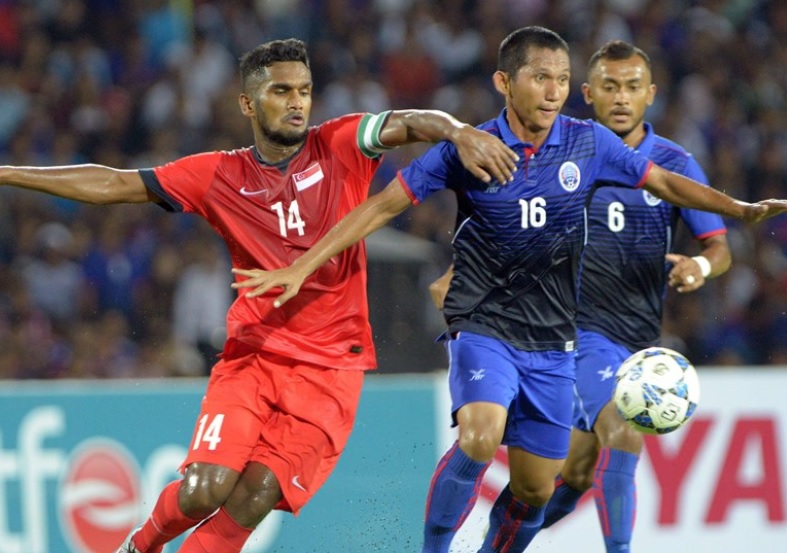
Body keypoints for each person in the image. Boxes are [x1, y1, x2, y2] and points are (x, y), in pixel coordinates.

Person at [231, 27, 787, 553]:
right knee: (481, 435)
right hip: (484, 324)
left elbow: (660, 180)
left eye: (560, 79)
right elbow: (383, 205)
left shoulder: (589, 143)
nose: (553, 91)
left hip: (553, 341)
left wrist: (739, 208)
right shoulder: (470, 148)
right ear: (505, 82)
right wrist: (304, 265)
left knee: (536, 488)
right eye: (540, 77)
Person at [0, 38, 519, 553]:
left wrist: (457, 131)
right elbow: (114, 184)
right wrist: (7, 173)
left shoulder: (340, 143)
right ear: (249, 103)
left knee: (255, 497)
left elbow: (406, 122)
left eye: (305, 90)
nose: (297, 102)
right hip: (255, 357)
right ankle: (140, 546)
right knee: (204, 490)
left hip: (331, 369)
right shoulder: (217, 174)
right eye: (281, 91)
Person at [430, 39, 733, 551]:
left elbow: (719, 247)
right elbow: (506, 226)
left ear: (651, 94)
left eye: (633, 87)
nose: (621, 98)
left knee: (569, 476)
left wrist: (700, 266)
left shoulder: (673, 162)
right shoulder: (566, 150)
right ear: (588, 94)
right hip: (574, 329)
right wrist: (459, 273)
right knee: (623, 429)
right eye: (610, 87)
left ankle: (496, 545)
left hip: (634, 335)